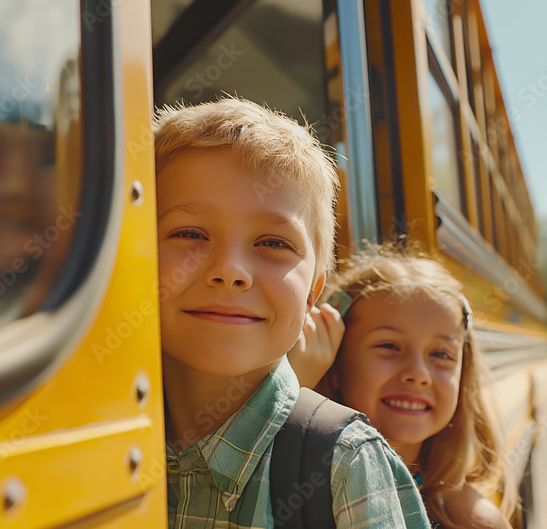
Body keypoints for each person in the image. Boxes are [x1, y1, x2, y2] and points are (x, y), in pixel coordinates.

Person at [154, 98, 430, 528]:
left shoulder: (344, 466)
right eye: (190, 233)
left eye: (273, 243)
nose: (230, 271)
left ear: (313, 293)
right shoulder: (98, 440)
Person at [295, 242, 515, 529]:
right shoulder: (298, 492)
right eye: (389, 346)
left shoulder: (472, 520)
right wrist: (297, 389)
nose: (418, 374)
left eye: (440, 354)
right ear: (334, 362)